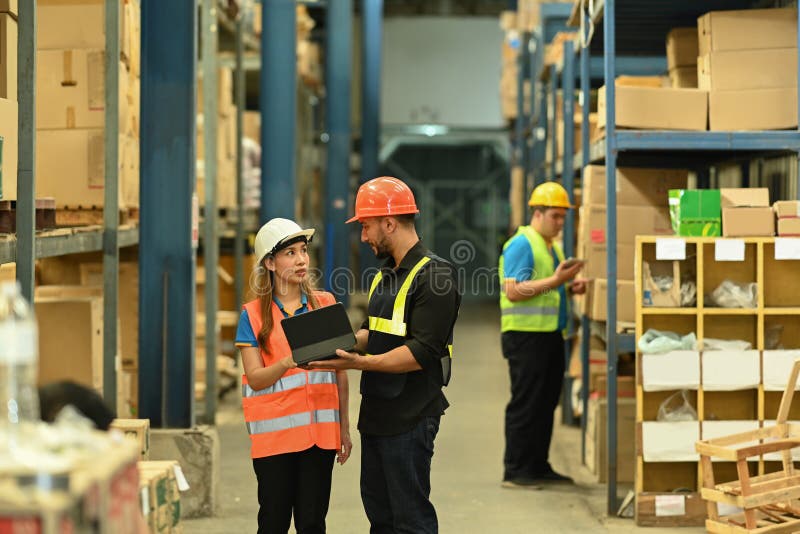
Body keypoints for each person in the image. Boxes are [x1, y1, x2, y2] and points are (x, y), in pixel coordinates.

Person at [308, 176, 461, 534]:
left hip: (411, 416)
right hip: (377, 412)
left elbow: (422, 352)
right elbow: (372, 332)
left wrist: (358, 363)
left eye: (366, 226)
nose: (363, 236)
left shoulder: (436, 276)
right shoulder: (385, 275)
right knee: (381, 518)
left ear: (389, 223)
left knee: (410, 519)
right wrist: (339, 343)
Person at [235, 218, 352, 534]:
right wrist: (288, 361)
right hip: (274, 442)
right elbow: (255, 378)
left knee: (312, 524)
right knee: (273, 523)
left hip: (320, 438)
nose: (301, 260)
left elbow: (340, 372)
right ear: (270, 263)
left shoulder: (324, 305)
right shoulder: (252, 316)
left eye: (303, 251)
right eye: (290, 253)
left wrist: (343, 428)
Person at [498, 181, 587, 489]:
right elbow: (514, 291)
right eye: (555, 216)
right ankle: (516, 470)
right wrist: (557, 281)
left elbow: (547, 285)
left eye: (563, 216)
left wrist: (569, 286)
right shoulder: (522, 244)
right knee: (526, 404)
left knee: (546, 403)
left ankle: (538, 465)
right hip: (525, 337)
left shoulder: (552, 246)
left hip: (549, 335)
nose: (560, 223)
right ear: (537, 213)